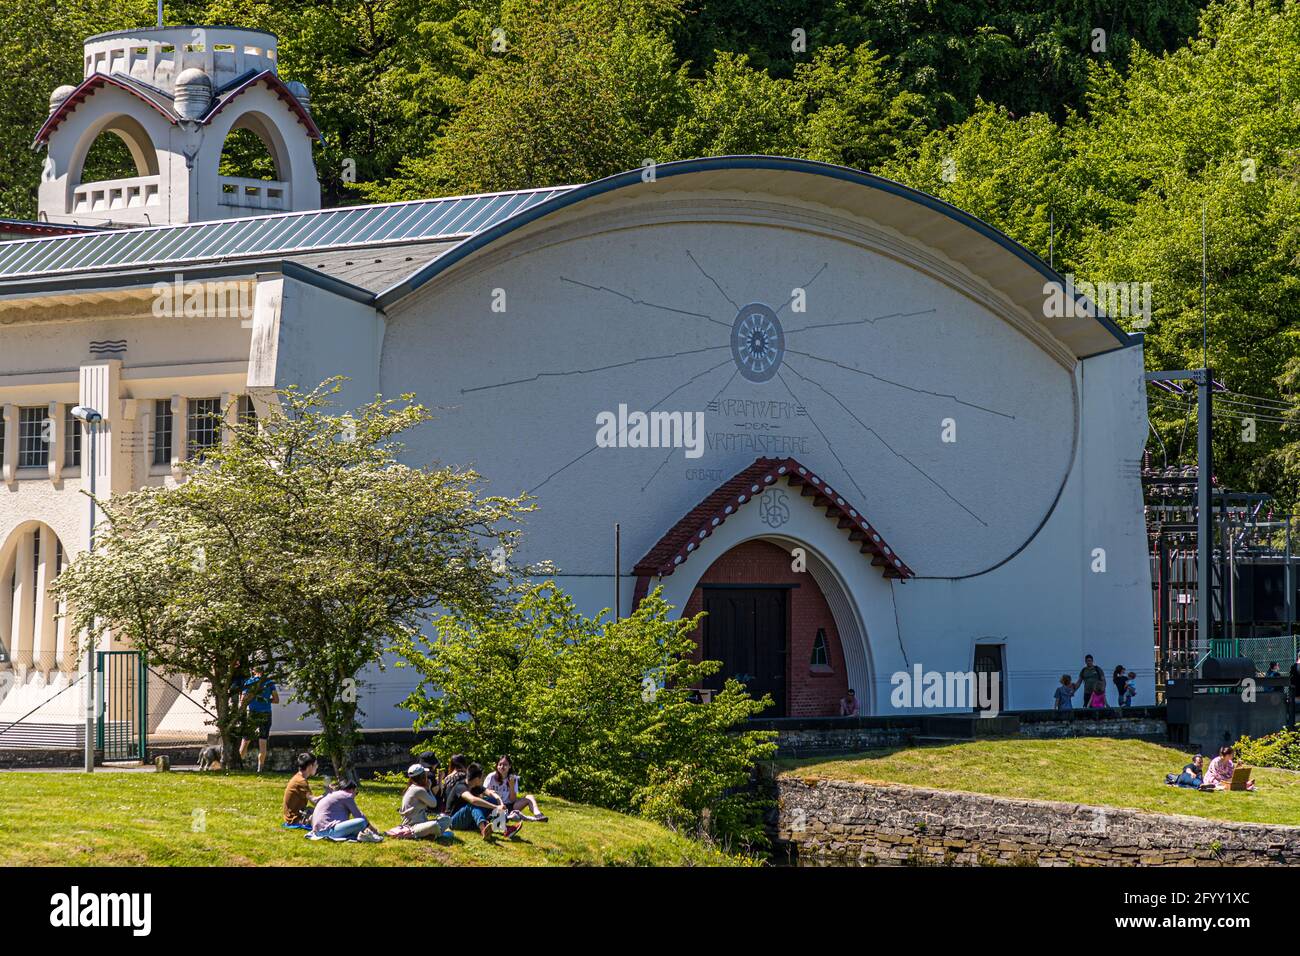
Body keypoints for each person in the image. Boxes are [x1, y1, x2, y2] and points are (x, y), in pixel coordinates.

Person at [445, 762, 520, 840]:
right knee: (474, 804)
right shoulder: (460, 786)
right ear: (477, 778)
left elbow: (491, 793)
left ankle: (505, 829)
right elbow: (473, 800)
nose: (483, 778)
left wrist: (500, 803)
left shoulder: (475, 786)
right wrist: (496, 807)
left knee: (492, 800)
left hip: (469, 820)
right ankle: (484, 830)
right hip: (453, 821)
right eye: (482, 776)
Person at [310, 778, 383, 841]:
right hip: (328, 831)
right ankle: (366, 835)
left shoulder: (335, 795)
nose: (355, 796)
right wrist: (373, 829)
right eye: (356, 793)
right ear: (352, 789)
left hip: (318, 830)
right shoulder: (346, 796)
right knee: (361, 822)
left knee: (356, 825)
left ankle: (363, 834)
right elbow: (359, 815)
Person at [239, 668, 279, 773]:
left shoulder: (249, 682)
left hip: (253, 713)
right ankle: (259, 770)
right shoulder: (269, 683)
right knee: (263, 741)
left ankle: (239, 765)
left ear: (253, 671)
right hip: (266, 714)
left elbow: (243, 700)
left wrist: (253, 699)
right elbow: (276, 700)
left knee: (245, 740)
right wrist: (265, 700)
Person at [485, 755, 547, 822]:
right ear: (497, 766)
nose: (502, 767)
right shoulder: (491, 777)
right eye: (500, 764)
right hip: (495, 805)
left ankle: (539, 815)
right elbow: (484, 792)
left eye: (505, 764)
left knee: (530, 797)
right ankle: (506, 816)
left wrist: (511, 785)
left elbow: (512, 800)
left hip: (510, 806)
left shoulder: (513, 778)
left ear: (510, 766)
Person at [397, 764, 452, 839]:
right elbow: (433, 804)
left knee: (447, 819)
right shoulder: (418, 790)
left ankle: (430, 834)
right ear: (422, 777)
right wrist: (428, 788)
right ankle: (438, 835)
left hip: (421, 824)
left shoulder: (413, 788)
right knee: (434, 825)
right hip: (412, 827)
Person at [283, 752, 319, 826]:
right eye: (315, 765)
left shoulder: (298, 778)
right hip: (295, 819)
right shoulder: (301, 781)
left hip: (298, 813)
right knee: (323, 817)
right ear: (309, 767)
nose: (317, 767)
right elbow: (314, 801)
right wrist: (328, 795)